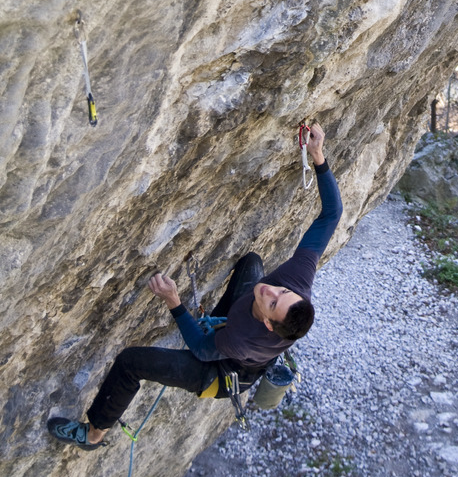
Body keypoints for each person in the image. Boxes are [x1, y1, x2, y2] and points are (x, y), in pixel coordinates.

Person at [48, 122, 341, 450]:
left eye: (273, 302)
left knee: (131, 362)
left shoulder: (241, 341)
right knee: (252, 263)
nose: (271, 290)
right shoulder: (297, 281)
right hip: (238, 330)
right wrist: (317, 155)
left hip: (219, 374)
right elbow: (331, 215)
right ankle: (219, 320)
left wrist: (174, 302)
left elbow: (202, 349)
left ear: (270, 324)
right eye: (281, 292)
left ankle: (94, 433)